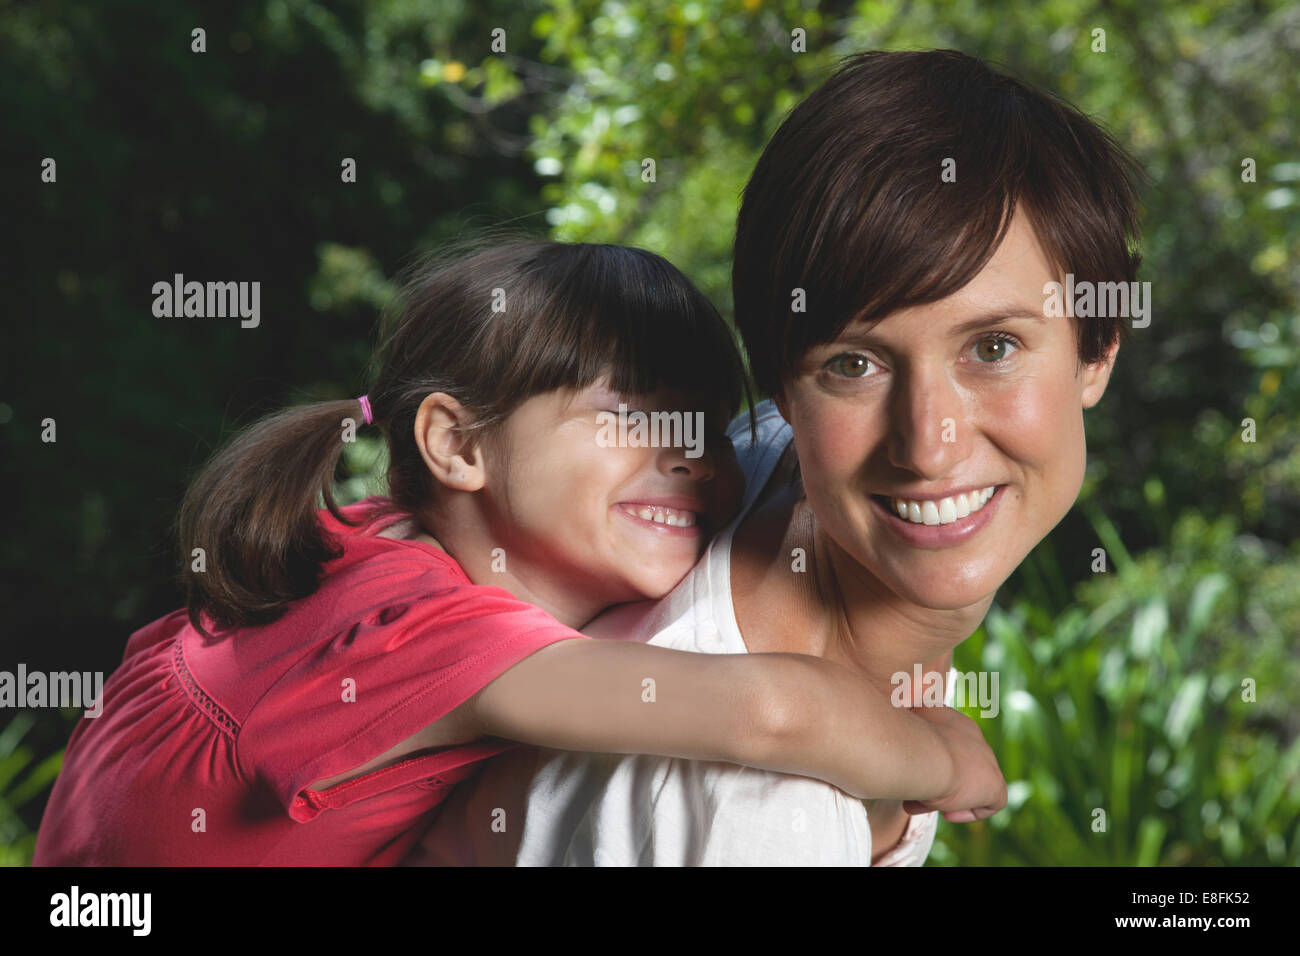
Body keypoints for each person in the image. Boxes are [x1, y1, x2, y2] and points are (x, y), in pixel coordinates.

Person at [32, 239, 1001, 866]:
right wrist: (940, 759)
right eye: (630, 416)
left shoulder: (376, 548)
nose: (690, 459)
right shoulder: (441, 642)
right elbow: (775, 709)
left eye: (702, 427)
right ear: (455, 445)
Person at [412, 48, 1141, 866]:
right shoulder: (752, 820)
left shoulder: (756, 465)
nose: (929, 444)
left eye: (994, 347)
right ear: (784, 394)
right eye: (853, 365)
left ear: (1098, 347)